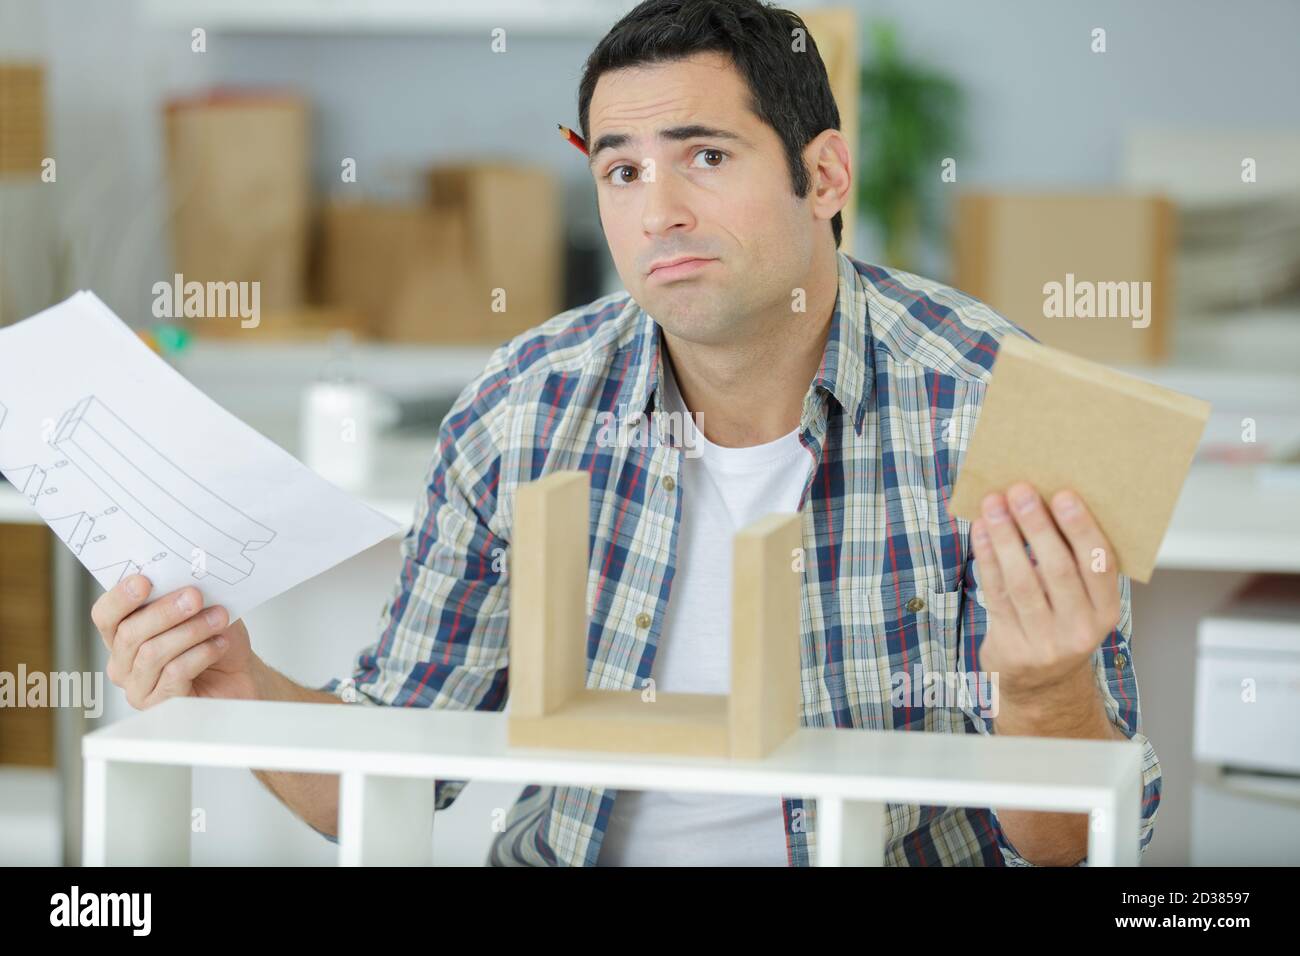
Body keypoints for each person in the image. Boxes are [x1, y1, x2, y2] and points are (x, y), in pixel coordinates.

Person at [91, 0, 1161, 866]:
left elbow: (1073, 843)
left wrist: (1042, 687)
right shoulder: (525, 407)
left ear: (823, 175)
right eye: (621, 169)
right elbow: (390, 773)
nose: (657, 212)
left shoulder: (992, 394)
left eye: (703, 157)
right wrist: (242, 688)